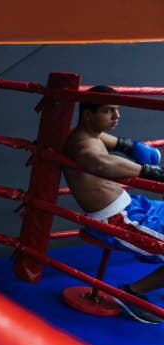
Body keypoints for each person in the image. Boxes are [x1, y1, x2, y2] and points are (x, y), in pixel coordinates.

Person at [63, 84, 164, 324]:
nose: (117, 117)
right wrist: (151, 172)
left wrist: (128, 145)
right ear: (88, 115)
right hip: (117, 220)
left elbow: (103, 141)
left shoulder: (88, 133)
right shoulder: (83, 146)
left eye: (117, 110)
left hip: (134, 207)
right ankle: (130, 293)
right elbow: (99, 163)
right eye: (109, 111)